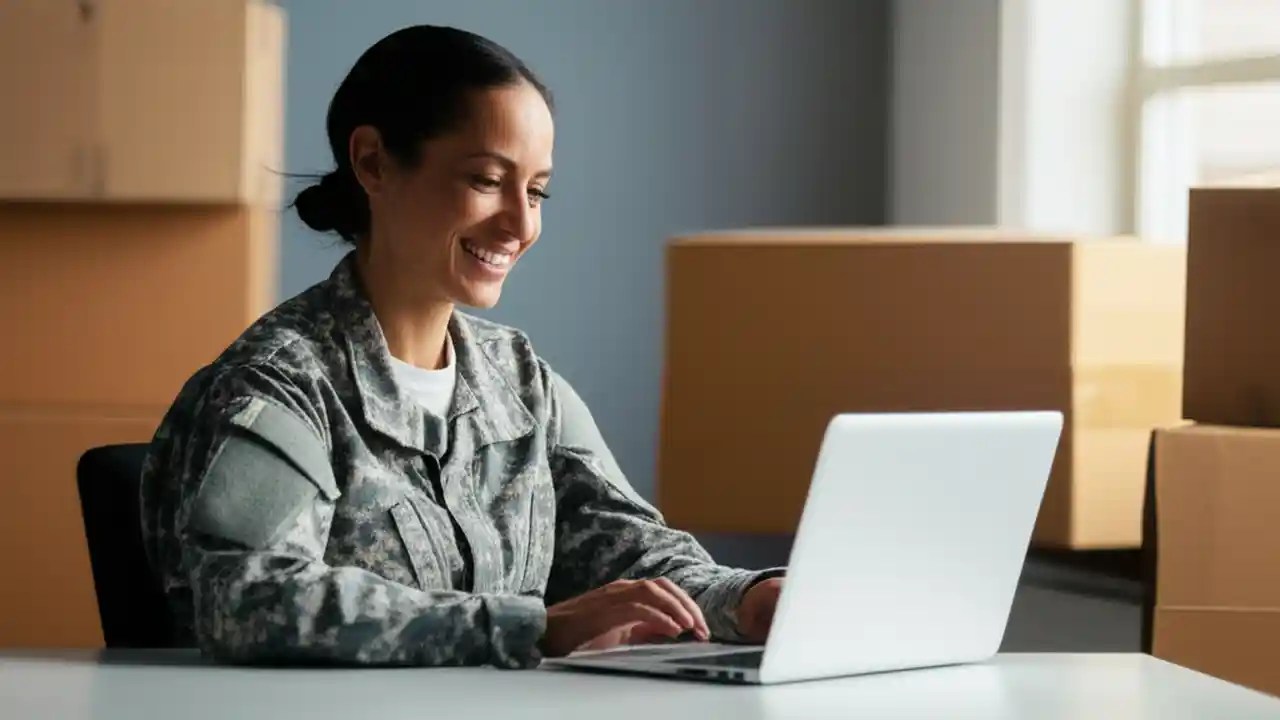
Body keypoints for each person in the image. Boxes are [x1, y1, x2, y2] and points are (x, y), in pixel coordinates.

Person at [140, 24, 784, 669]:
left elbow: (632, 551)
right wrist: (530, 628)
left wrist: (748, 598)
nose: (521, 223)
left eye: (536, 192)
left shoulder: (522, 381)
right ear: (373, 163)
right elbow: (250, 602)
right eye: (485, 180)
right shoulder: (279, 385)